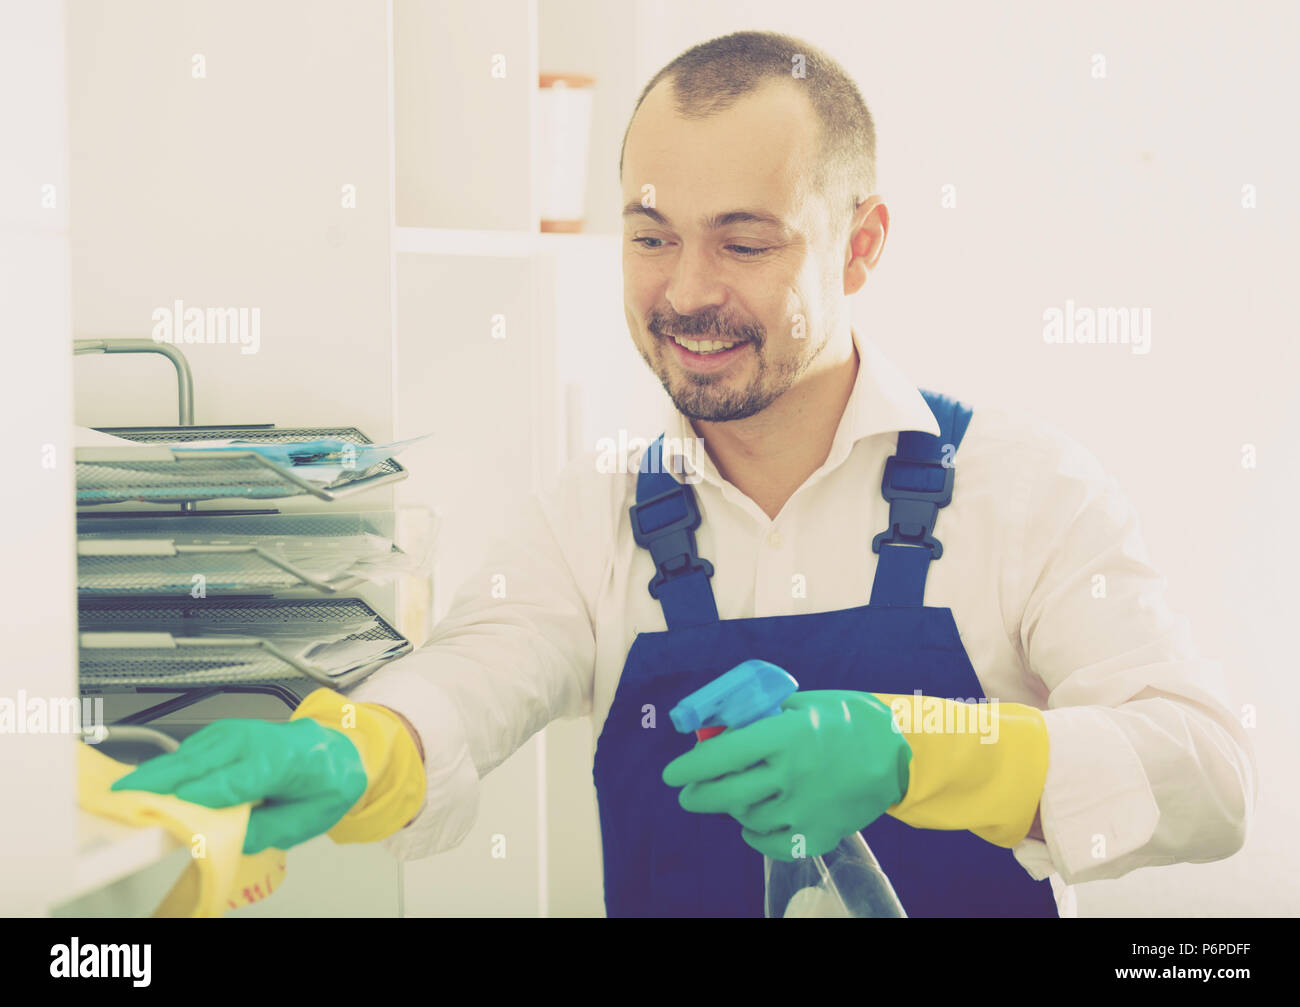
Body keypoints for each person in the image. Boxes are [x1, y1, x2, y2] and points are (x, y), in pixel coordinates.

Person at [116, 30, 1256, 917]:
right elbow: (466, 683)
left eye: (744, 242)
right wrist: (352, 747)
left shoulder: (1024, 489)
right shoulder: (592, 518)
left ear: (860, 243)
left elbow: (1209, 777)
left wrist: (919, 747)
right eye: (651, 235)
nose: (686, 290)